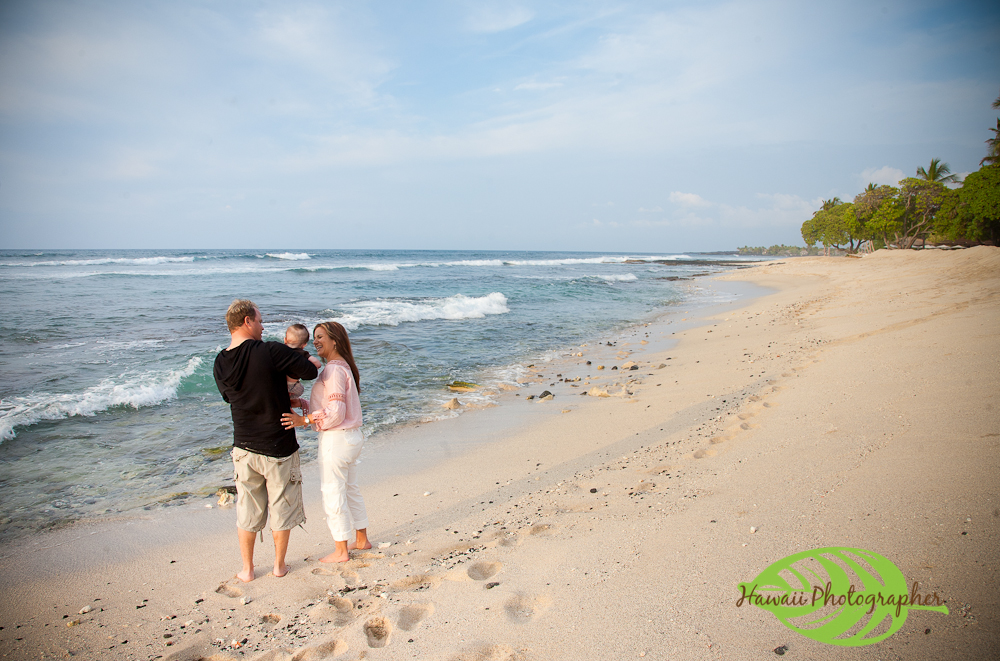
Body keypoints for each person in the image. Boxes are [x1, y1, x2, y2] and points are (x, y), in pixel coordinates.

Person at [214, 299, 319, 582]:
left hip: (243, 446)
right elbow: (310, 371)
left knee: (247, 509)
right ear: (247, 321)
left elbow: (230, 397)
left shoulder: (220, 361)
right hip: (278, 445)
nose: (262, 326)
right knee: (282, 506)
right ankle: (278, 566)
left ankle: (247, 569)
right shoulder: (270, 350)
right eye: (259, 321)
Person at [281, 321, 370, 563]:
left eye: (320, 337)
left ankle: (341, 550)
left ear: (335, 341)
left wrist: (305, 420)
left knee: (333, 492)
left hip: (337, 440)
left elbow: (336, 412)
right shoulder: (343, 367)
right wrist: (303, 406)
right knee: (350, 489)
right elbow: (334, 407)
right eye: (314, 338)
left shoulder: (332, 370)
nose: (315, 342)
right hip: (351, 437)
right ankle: (361, 539)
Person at [284, 323, 322, 412]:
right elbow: (318, 363)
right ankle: (290, 401)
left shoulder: (281, 351)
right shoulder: (302, 354)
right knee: (301, 389)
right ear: (304, 344)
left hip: (279, 383)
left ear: (285, 340)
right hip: (292, 386)